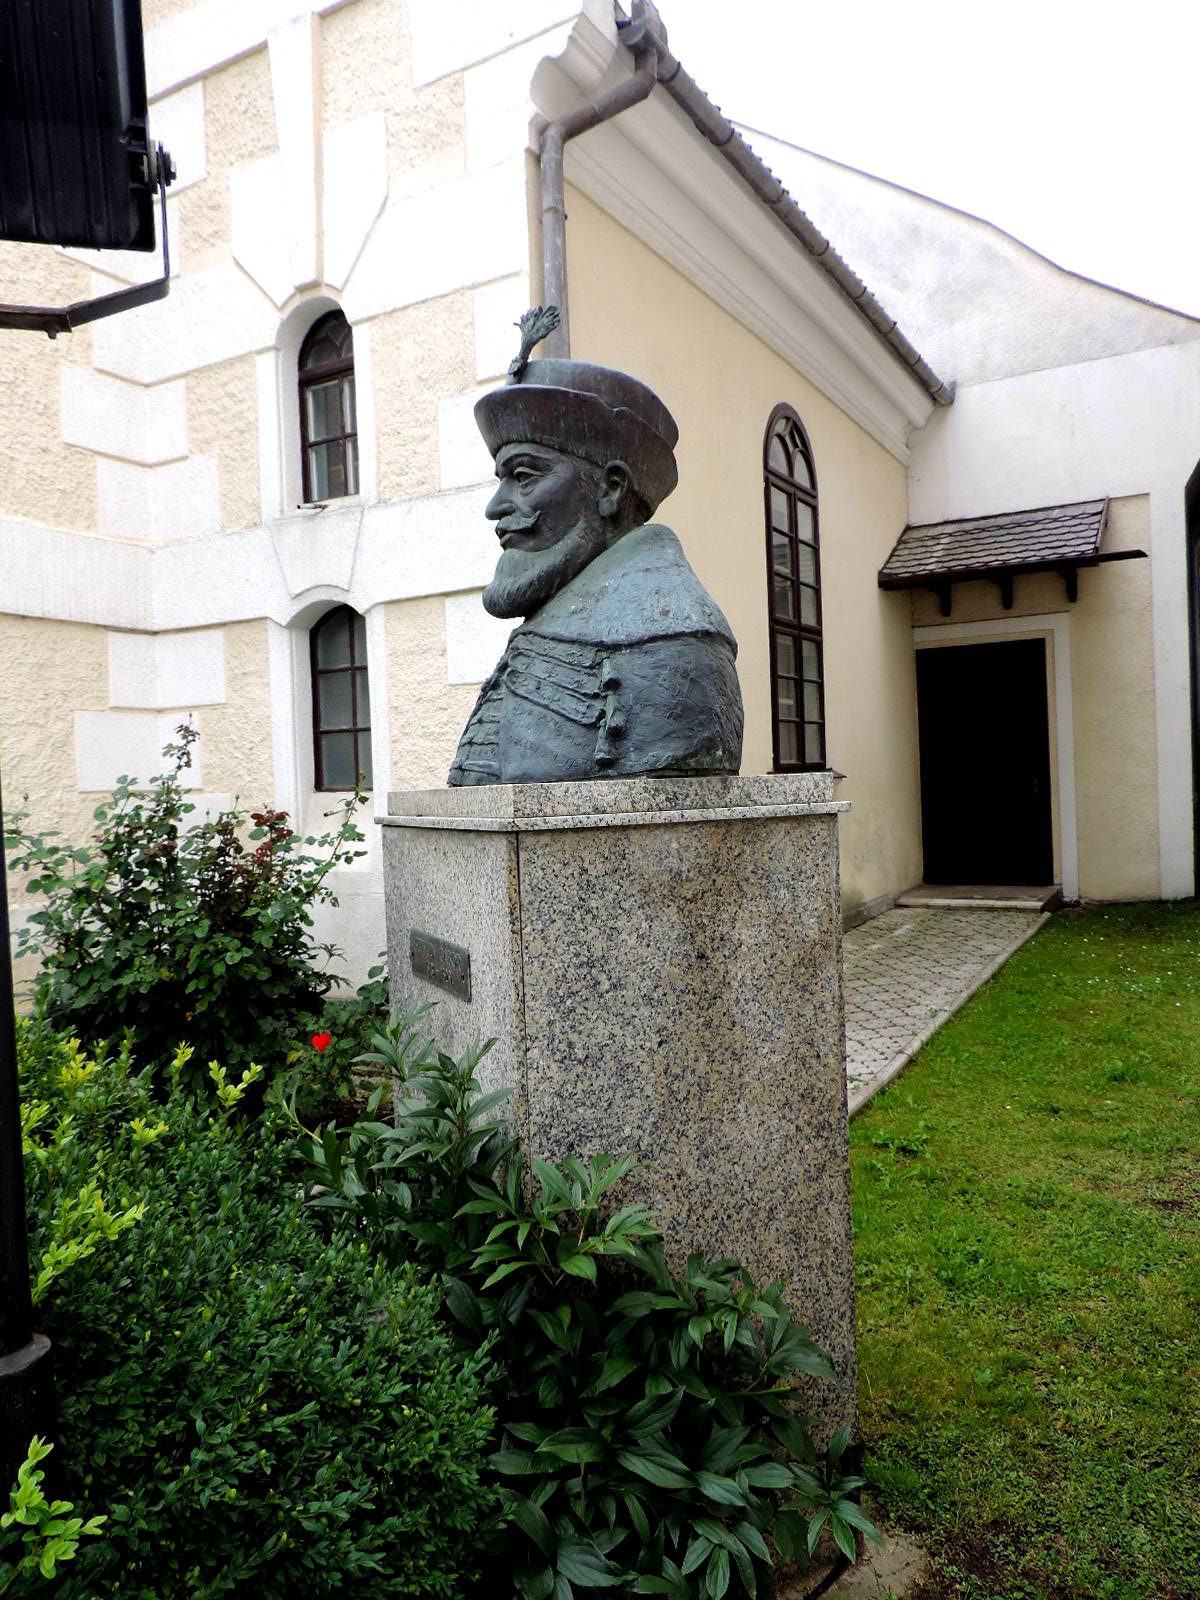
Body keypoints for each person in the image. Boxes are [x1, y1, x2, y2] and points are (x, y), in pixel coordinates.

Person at [448, 311, 743, 786]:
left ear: (610, 489)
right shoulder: (546, 628)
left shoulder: (675, 649)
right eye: (501, 479)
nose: (495, 507)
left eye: (523, 477)